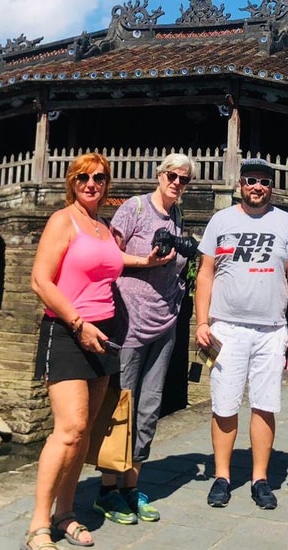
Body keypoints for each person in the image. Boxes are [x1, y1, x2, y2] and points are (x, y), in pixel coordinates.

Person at [25, 153, 168, 550]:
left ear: (107, 184)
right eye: (84, 177)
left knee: (86, 432)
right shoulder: (62, 221)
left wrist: (145, 260)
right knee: (69, 429)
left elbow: (111, 261)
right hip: (68, 330)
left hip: (102, 333)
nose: (92, 183)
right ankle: (39, 523)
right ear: (72, 182)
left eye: (99, 178)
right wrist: (77, 323)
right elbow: (40, 280)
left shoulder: (102, 228)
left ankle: (66, 513)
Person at [195, 157, 288, 511]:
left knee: (264, 404)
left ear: (271, 187)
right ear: (240, 184)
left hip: (271, 328)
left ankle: (260, 477)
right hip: (226, 326)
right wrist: (202, 322)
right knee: (224, 404)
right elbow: (205, 274)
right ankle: (223, 476)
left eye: (263, 181)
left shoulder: (285, 223)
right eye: (250, 180)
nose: (257, 186)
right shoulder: (221, 220)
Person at [94, 153, 196, 526]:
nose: (177, 183)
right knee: (121, 403)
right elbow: (109, 256)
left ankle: (131, 488)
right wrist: (147, 262)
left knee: (150, 406)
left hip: (164, 323)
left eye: (184, 180)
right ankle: (106, 490)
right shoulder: (134, 210)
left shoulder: (178, 218)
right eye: (172, 175)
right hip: (129, 321)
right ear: (159, 175)